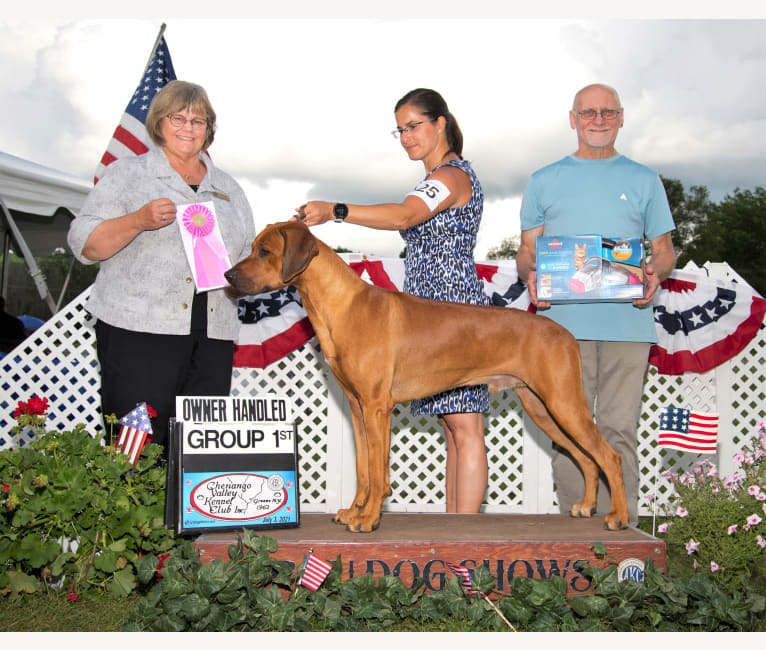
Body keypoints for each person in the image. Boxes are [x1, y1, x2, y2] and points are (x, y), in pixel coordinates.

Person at [295, 88, 489, 513]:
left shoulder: (451, 177)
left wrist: (336, 211)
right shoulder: (432, 179)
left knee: (465, 426)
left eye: (414, 125)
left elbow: (404, 216)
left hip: (452, 305)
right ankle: (453, 531)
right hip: (426, 305)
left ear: (441, 123)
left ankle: (465, 537)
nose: (406, 137)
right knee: (453, 427)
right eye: (400, 129)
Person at [516, 83, 676, 526]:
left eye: (608, 112)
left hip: (629, 324)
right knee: (569, 430)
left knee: (618, 430)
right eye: (589, 113)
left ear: (621, 118)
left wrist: (656, 272)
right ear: (573, 119)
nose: (599, 120)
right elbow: (528, 251)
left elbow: (663, 249)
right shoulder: (543, 180)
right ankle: (576, 539)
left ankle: (622, 538)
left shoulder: (644, 179)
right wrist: (531, 271)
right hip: (560, 328)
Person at [67, 80, 255, 450]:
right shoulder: (127, 174)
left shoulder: (230, 188)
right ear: (159, 123)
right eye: (178, 118)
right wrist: (137, 220)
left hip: (212, 333)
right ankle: (129, 507)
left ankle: (189, 509)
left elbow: (247, 255)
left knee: (197, 446)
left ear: (209, 129)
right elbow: (83, 243)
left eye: (198, 121)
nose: (188, 128)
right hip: (139, 330)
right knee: (134, 438)